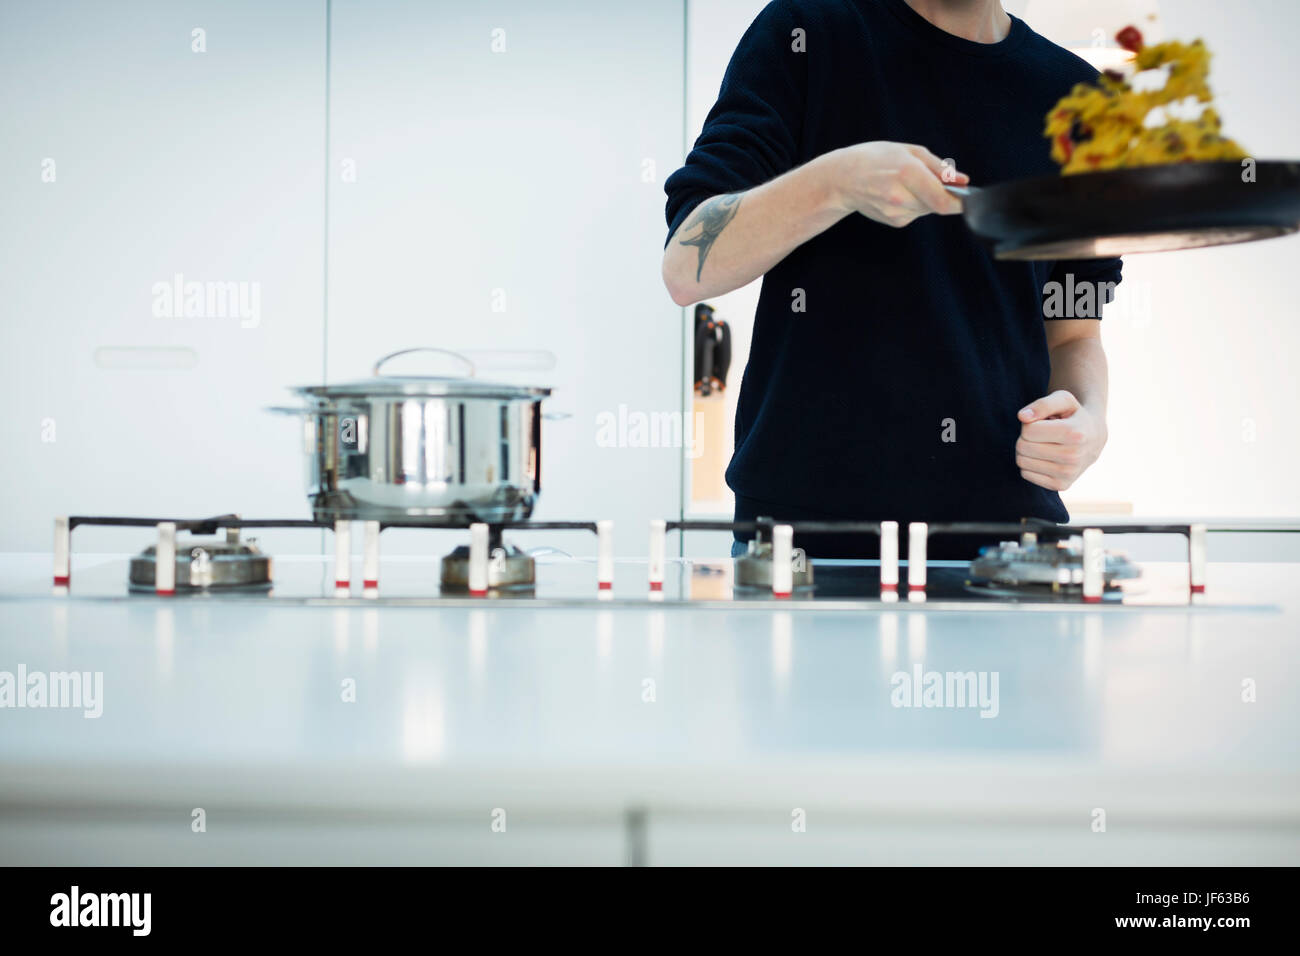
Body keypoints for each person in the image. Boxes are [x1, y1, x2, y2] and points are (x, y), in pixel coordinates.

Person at [661, 0, 1120, 558]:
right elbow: (688, 264)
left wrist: (1088, 419)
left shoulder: (1082, 101)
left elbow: (1073, 331)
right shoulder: (806, 30)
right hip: (806, 546)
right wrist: (837, 183)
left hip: (1006, 545)